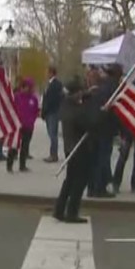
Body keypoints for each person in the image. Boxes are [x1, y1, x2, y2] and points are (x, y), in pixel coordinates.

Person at [53, 76, 99, 223]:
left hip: (69, 148)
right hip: (78, 149)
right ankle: (72, 212)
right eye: (79, 91)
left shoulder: (65, 105)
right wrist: (102, 111)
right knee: (80, 181)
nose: (81, 94)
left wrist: (88, 93)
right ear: (74, 93)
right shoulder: (77, 112)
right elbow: (91, 124)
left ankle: (59, 210)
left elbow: (80, 98)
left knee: (69, 180)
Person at [87, 65, 121, 198]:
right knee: (103, 158)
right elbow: (116, 111)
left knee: (95, 158)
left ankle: (92, 187)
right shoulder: (114, 89)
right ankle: (100, 188)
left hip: (96, 127)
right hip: (106, 128)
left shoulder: (101, 87)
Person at [7, 78, 40, 172]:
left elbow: (36, 111)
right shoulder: (17, 97)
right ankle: (9, 165)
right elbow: (11, 109)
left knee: (25, 146)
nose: (30, 89)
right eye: (28, 87)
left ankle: (22, 165)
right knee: (14, 146)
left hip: (29, 126)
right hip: (18, 125)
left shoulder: (33, 98)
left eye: (31, 87)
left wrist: (32, 120)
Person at [40, 66, 63, 162]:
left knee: (52, 134)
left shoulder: (55, 84)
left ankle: (53, 155)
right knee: (52, 134)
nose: (46, 74)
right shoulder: (50, 84)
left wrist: (45, 110)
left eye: (48, 72)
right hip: (51, 112)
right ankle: (53, 153)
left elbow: (51, 99)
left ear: (51, 73)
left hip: (52, 112)